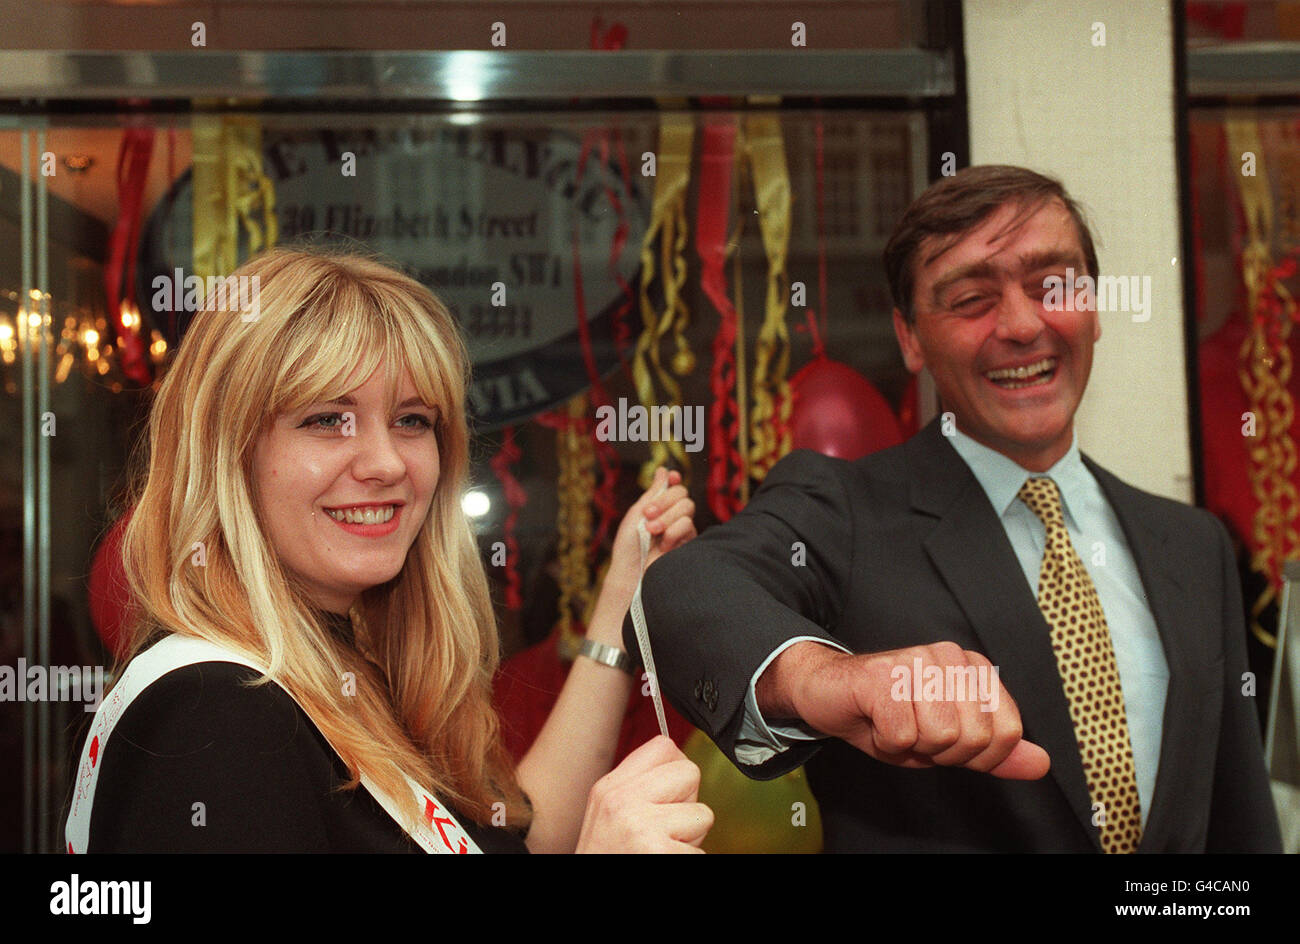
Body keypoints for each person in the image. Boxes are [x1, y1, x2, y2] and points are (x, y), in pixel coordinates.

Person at [632, 165, 1283, 852]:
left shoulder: (1192, 543)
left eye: (1053, 286)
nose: (1023, 324)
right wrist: (831, 678)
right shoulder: (845, 511)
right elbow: (680, 590)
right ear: (910, 337)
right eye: (972, 298)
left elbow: (1238, 820)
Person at [65, 248, 711, 854]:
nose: (385, 463)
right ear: (228, 455)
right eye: (326, 419)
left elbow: (515, 840)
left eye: (412, 421)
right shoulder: (216, 714)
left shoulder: (325, 664)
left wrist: (622, 598)